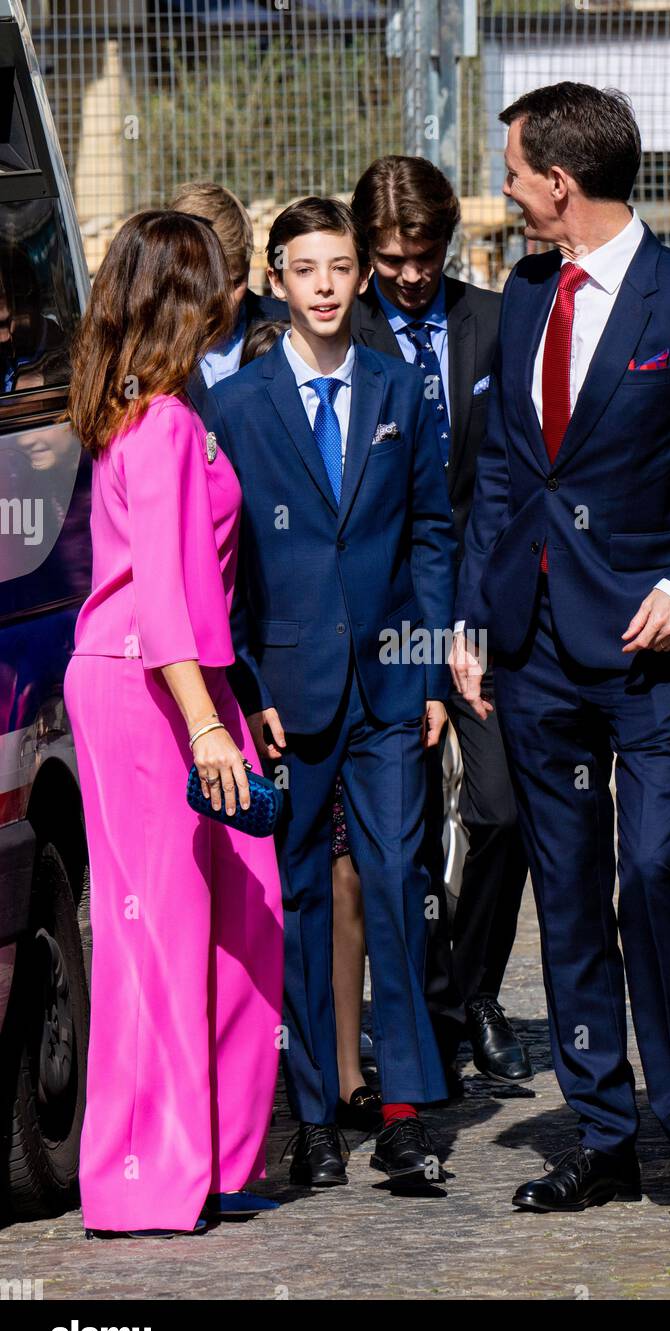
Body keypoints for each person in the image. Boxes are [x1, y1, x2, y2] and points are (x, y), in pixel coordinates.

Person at [450, 81, 670, 1221]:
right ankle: (602, 1132)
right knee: (565, 895)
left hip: (647, 654)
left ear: (560, 181)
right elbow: (501, 469)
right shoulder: (522, 295)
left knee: (654, 877)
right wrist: (470, 614)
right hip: (533, 650)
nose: (502, 191)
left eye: (512, 171)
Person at [201, 197, 457, 1190]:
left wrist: (430, 662)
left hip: (391, 682)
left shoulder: (401, 387)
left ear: (358, 278)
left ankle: (400, 1108)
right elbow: (227, 567)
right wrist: (246, 683)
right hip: (287, 691)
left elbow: (431, 529)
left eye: (338, 267)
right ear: (275, 277)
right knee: (302, 895)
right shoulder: (236, 406)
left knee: (396, 882)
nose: (322, 285)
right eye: (303, 267)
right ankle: (311, 1110)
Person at [63, 210, 284, 1237]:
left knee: (244, 917)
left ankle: (218, 1155)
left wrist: (231, 709)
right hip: (147, 693)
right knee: (157, 932)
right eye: (223, 281)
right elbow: (158, 598)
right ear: (189, 299)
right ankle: (145, 1175)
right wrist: (207, 728)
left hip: (187, 690)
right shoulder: (156, 425)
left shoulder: (165, 411)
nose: (241, 295)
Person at [351, 154, 532, 1090]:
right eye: (391, 258)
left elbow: (502, 483)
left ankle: (474, 994)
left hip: (480, 614)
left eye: (424, 253)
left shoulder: (495, 324)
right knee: (405, 831)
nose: (412, 274)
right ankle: (417, 1008)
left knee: (501, 812)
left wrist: (472, 617)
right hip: (386, 623)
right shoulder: (348, 334)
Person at [239, 314, 380, 1128]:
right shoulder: (239, 421)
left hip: (345, 694)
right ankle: (292, 1075)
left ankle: (349, 1063)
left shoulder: (362, 407)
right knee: (285, 896)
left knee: (350, 879)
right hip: (268, 696)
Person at [169, 182, 288, 412]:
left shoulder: (290, 332)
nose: (220, 302)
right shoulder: (142, 346)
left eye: (234, 283)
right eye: (205, 285)